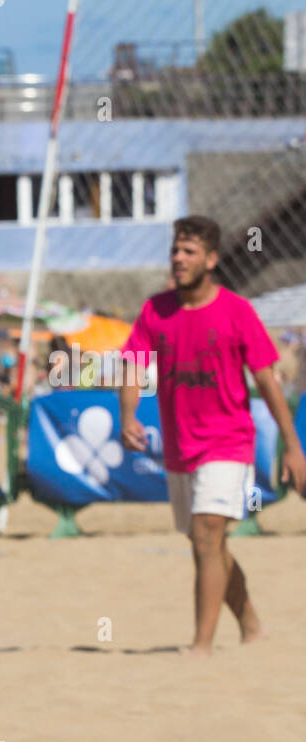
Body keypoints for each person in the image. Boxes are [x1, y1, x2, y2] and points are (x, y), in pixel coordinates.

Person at [119, 215, 306, 655]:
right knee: (208, 545)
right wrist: (128, 414)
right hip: (181, 447)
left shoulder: (237, 311)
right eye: (175, 251)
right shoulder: (154, 310)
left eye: (189, 252)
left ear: (212, 258)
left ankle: (201, 646)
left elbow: (266, 381)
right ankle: (251, 622)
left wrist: (293, 447)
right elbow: (132, 366)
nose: (179, 259)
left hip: (228, 442)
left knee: (207, 534)